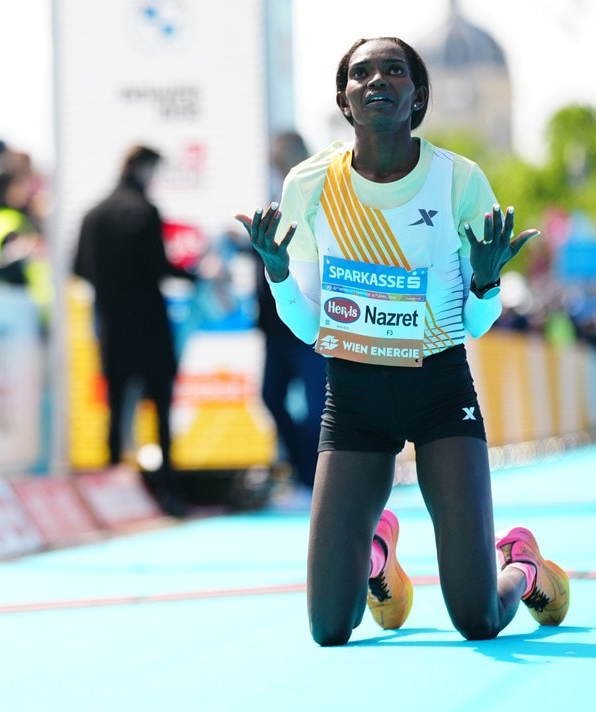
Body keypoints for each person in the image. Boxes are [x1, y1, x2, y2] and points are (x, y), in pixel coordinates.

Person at [236, 37, 568, 645]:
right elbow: (313, 327)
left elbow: (474, 324)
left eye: (394, 70)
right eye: (362, 73)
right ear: (344, 99)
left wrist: (487, 281)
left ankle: (522, 566)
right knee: (329, 627)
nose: (377, 80)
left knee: (477, 619)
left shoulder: (459, 181)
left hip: (441, 394)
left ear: (418, 96)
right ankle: (376, 554)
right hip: (354, 401)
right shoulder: (309, 185)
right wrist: (278, 275)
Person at [74, 145, 195, 506]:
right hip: (149, 324)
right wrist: (192, 272)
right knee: (160, 404)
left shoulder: (93, 215)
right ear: (143, 169)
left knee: (116, 405)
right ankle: (166, 486)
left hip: (111, 323)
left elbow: (78, 269)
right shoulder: (143, 212)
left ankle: (111, 486)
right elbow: (159, 268)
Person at [256, 131, 327, 505]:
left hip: (311, 318)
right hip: (276, 323)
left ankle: (317, 482)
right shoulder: (277, 196)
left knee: (318, 403)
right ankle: (305, 474)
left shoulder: (317, 195)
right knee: (271, 395)